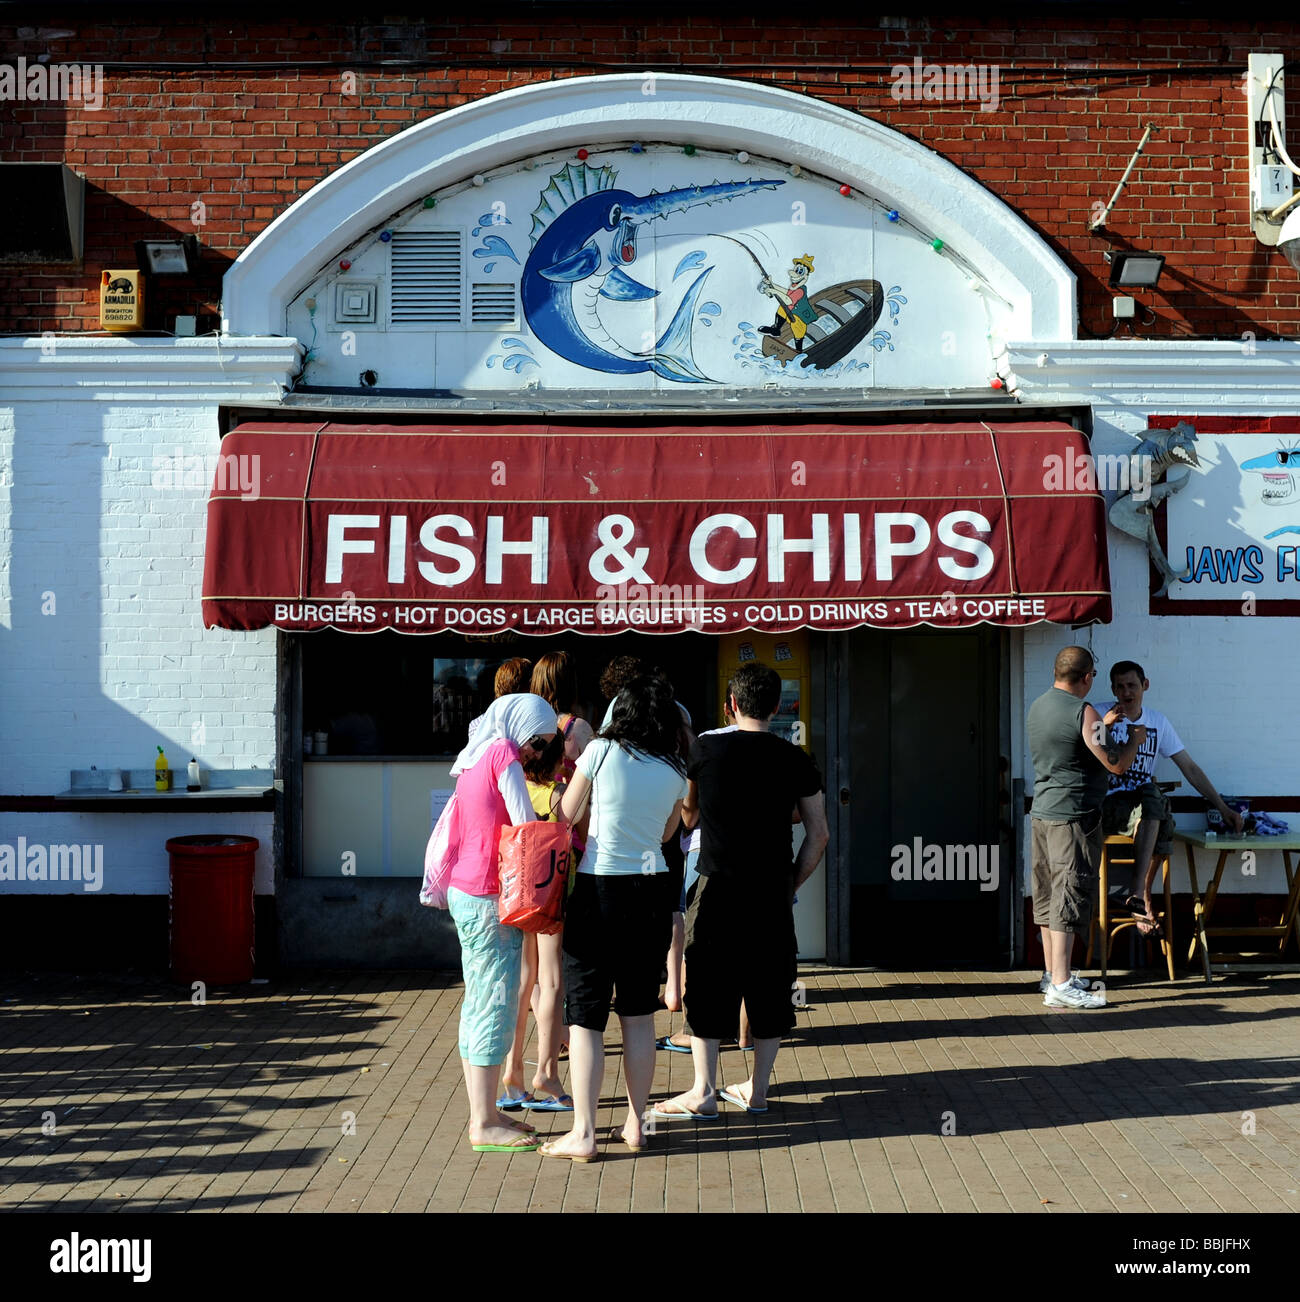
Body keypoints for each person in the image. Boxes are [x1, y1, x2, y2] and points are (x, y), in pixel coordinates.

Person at [655, 662, 828, 1119]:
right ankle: (758, 1091)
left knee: (709, 983)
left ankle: (704, 1092)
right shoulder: (795, 758)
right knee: (770, 986)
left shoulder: (706, 749)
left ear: (730, 704)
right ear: (777, 707)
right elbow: (819, 834)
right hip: (770, 890)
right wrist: (790, 881)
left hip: (717, 888)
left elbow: (687, 816)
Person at [538, 675, 688, 1161]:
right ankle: (636, 1124)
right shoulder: (673, 767)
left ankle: (583, 1133)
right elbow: (669, 832)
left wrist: (564, 799)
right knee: (639, 1015)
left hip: (600, 888)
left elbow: (567, 813)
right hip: (650, 892)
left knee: (586, 1020)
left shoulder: (600, 752)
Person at [443, 693, 558, 1153]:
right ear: (519, 729)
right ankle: (484, 1122)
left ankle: (485, 1112)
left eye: (546, 746)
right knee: (495, 1006)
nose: (537, 753)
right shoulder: (503, 753)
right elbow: (524, 822)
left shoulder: (473, 754)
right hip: (493, 896)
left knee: (478, 1002)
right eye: (538, 741)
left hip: (466, 891)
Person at [498, 651, 594, 1111]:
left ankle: (512, 1069)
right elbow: (584, 824)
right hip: (556, 883)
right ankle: (548, 1074)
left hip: (518, 884)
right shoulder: (563, 779)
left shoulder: (514, 775)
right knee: (553, 981)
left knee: (524, 979)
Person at [1027, 646, 1143, 1010]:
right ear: (1088, 676)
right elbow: (1115, 765)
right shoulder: (1083, 710)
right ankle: (1062, 984)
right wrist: (1134, 742)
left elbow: (1069, 747)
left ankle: (1052, 975)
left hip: (1043, 811)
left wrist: (1100, 727)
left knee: (1047, 893)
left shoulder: (1039, 706)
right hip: (1073, 816)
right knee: (1069, 892)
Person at [1097, 660, 1243, 934]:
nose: (1126, 692)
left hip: (1144, 807)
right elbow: (1081, 760)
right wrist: (1104, 728)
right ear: (1113, 690)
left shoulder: (1157, 721)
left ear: (1145, 686)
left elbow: (1189, 767)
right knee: (1157, 803)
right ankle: (1142, 895)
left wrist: (1222, 808)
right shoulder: (1099, 714)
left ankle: (1141, 897)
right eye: (1120, 687)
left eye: (1132, 685)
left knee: (1160, 810)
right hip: (1109, 806)